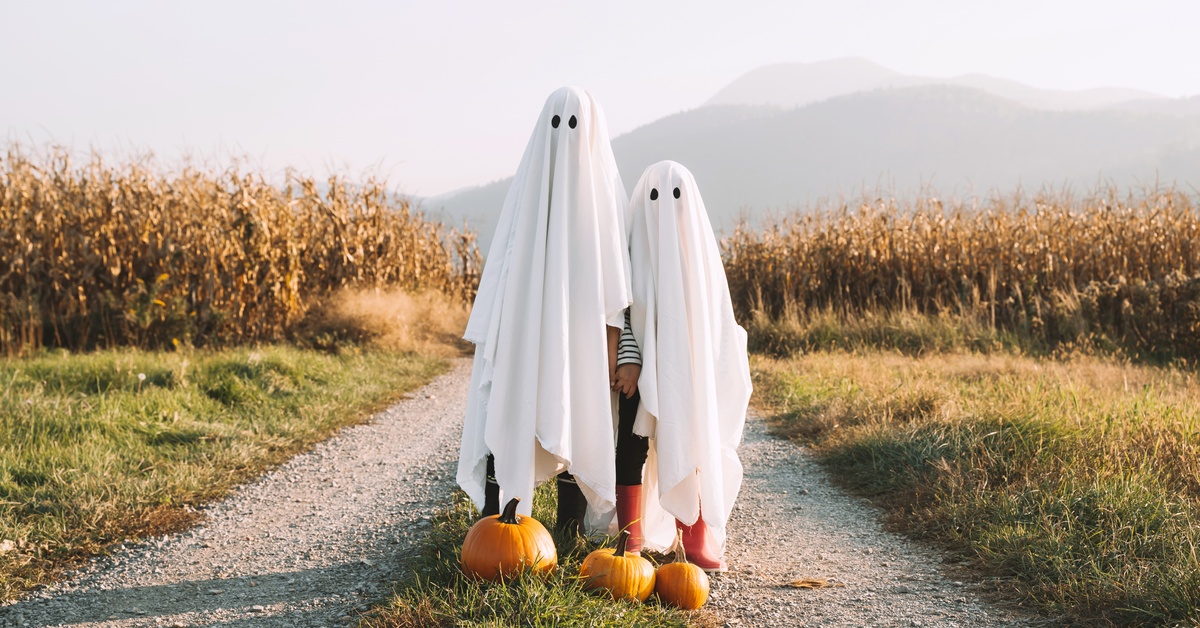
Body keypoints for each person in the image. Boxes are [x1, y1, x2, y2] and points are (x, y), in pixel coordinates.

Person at [456, 87, 632, 536]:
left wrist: (611, 353)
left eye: (574, 125)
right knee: (513, 406)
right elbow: (502, 277)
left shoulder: (604, 202)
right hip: (523, 336)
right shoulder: (525, 199)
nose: (565, 135)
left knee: (578, 410)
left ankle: (569, 525)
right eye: (556, 123)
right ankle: (498, 522)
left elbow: (615, 290)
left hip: (583, 342)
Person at [614, 160, 752, 572]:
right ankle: (630, 536)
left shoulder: (699, 256)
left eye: (676, 197)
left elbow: (715, 323)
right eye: (655, 197)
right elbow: (620, 309)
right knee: (631, 447)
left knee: (688, 443)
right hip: (636, 370)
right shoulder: (631, 249)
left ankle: (692, 534)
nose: (664, 206)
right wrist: (630, 359)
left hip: (685, 373)